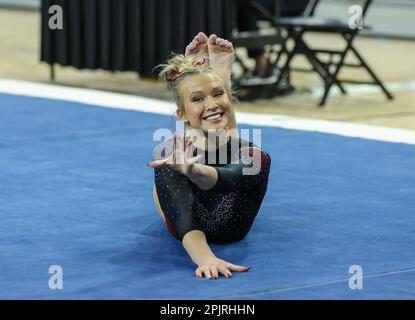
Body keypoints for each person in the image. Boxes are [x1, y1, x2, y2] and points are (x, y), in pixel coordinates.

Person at [147, 33, 271, 280]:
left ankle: (214, 82)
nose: (212, 103)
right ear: (181, 114)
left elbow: (226, 178)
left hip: (230, 227)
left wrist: (192, 171)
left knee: (221, 143)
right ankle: (215, 81)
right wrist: (205, 257)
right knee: (172, 156)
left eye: (218, 94)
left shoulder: (256, 157)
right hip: (181, 222)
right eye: (198, 98)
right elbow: (181, 208)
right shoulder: (170, 155)